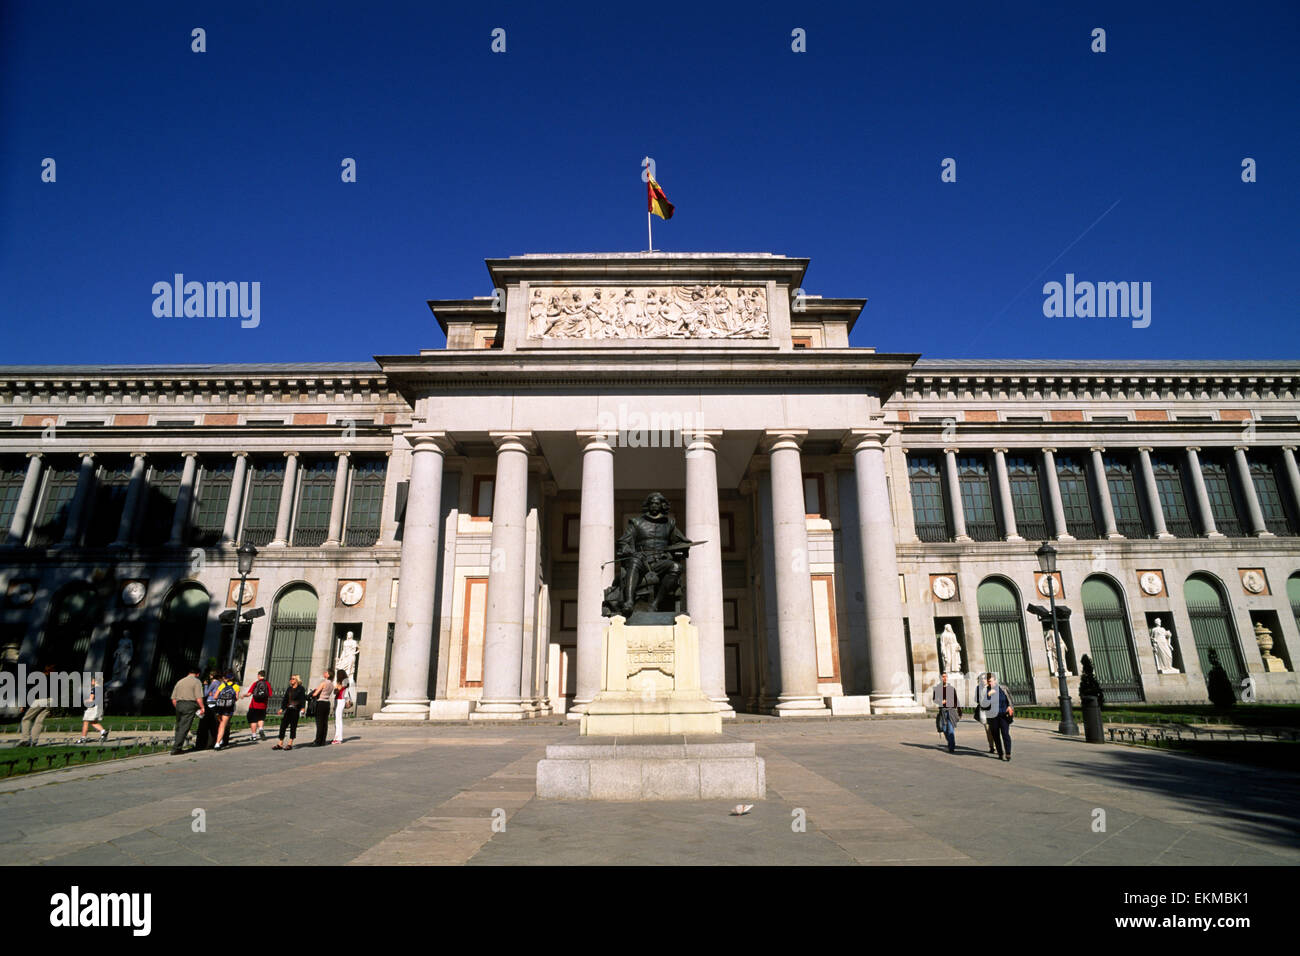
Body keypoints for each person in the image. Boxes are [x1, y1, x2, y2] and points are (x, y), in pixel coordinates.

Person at [169, 666, 206, 755]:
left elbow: (173, 698)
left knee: (179, 726)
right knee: (184, 727)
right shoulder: (196, 682)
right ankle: (176, 748)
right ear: (197, 674)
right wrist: (202, 707)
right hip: (190, 705)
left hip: (179, 704)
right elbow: (198, 697)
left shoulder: (180, 681)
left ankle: (177, 744)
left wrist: (177, 706)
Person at [17, 665, 55, 746]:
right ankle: (34, 741)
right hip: (50, 700)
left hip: (40, 700)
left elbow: (29, 691)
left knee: (26, 719)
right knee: (39, 721)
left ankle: (25, 739)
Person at [985, 672, 1015, 761]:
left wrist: (1010, 707)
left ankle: (1008, 752)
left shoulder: (1003, 688)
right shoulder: (986, 691)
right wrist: (988, 695)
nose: (990, 683)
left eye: (991, 681)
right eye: (988, 681)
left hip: (1003, 715)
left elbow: (1010, 700)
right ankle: (1000, 753)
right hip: (993, 717)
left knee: (1005, 734)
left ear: (995, 680)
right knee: (995, 735)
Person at [273, 675, 307, 750]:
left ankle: (290, 743)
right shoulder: (289, 689)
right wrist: (282, 708)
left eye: (293, 679)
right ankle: (280, 743)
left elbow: (302, 699)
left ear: (296, 680)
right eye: (290, 679)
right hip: (288, 709)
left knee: (293, 726)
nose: (291, 680)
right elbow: (285, 699)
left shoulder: (301, 689)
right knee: (283, 726)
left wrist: (303, 708)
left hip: (295, 709)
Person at [75, 675, 108, 744]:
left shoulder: (94, 689)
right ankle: (103, 732)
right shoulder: (102, 689)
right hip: (100, 707)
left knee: (86, 722)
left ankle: (83, 738)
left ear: (95, 681)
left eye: (92, 680)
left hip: (93, 708)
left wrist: (85, 701)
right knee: (93, 722)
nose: (91, 682)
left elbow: (91, 699)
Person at [931, 671, 959, 753]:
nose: (945, 678)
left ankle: (952, 746)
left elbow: (955, 700)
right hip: (942, 712)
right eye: (943, 676)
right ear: (940, 678)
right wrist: (940, 701)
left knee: (950, 729)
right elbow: (934, 699)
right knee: (943, 728)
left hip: (950, 711)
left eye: (946, 676)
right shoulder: (937, 689)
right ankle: (950, 742)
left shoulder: (951, 688)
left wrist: (958, 711)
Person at [212, 672, 240, 750]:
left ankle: (219, 740)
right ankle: (218, 743)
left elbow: (215, 697)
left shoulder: (222, 685)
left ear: (226, 679)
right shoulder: (236, 686)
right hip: (228, 708)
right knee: (223, 725)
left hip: (220, 707)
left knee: (220, 723)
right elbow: (237, 698)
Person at [243, 670, 272, 741]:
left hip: (254, 705)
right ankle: (261, 729)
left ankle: (254, 736)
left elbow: (249, 694)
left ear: (259, 675)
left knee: (253, 720)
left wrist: (244, 695)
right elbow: (270, 695)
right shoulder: (267, 684)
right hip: (263, 706)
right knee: (261, 718)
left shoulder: (256, 683)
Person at [309, 669, 334, 746]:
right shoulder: (332, 684)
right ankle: (323, 740)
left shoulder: (323, 683)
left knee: (319, 723)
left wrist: (313, 692)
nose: (324, 673)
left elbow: (315, 694)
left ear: (328, 675)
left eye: (326, 672)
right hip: (327, 703)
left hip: (320, 703)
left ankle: (318, 740)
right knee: (324, 722)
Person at [195, 670, 220, 749]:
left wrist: (205, 685)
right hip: (216, 703)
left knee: (205, 720)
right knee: (214, 722)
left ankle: (203, 743)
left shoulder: (213, 683)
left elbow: (205, 693)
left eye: (210, 675)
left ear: (212, 676)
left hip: (210, 702)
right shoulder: (219, 683)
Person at [975, 672, 999, 754]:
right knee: (988, 730)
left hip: (992, 711)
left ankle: (996, 745)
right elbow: (976, 699)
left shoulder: (991, 687)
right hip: (983, 711)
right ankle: (992, 746)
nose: (982, 680)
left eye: (984, 679)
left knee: (993, 729)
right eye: (981, 679)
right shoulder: (978, 688)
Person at [331, 669, 352, 744]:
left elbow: (340, 691)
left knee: (338, 719)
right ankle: (336, 736)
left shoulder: (345, 681)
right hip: (338, 700)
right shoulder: (340, 682)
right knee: (337, 719)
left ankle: (339, 738)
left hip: (341, 700)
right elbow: (335, 692)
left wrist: (337, 686)